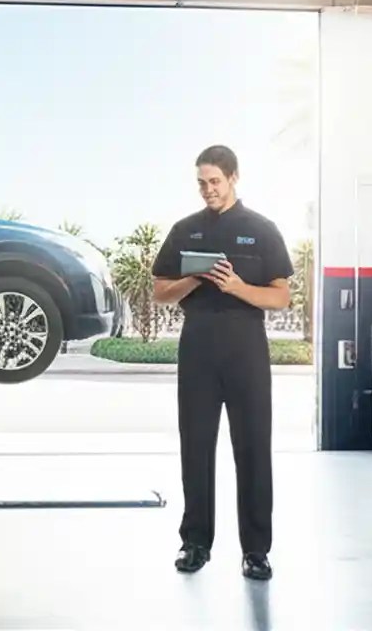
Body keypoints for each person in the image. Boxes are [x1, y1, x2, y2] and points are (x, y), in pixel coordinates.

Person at [151, 144, 293, 582]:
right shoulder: (185, 230)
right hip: (197, 347)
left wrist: (235, 287)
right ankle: (195, 543)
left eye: (214, 181)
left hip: (246, 348)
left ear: (233, 178)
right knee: (195, 446)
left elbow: (281, 297)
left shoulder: (262, 229)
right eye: (201, 183)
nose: (208, 190)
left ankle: (256, 551)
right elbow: (159, 291)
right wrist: (194, 278)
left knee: (252, 449)